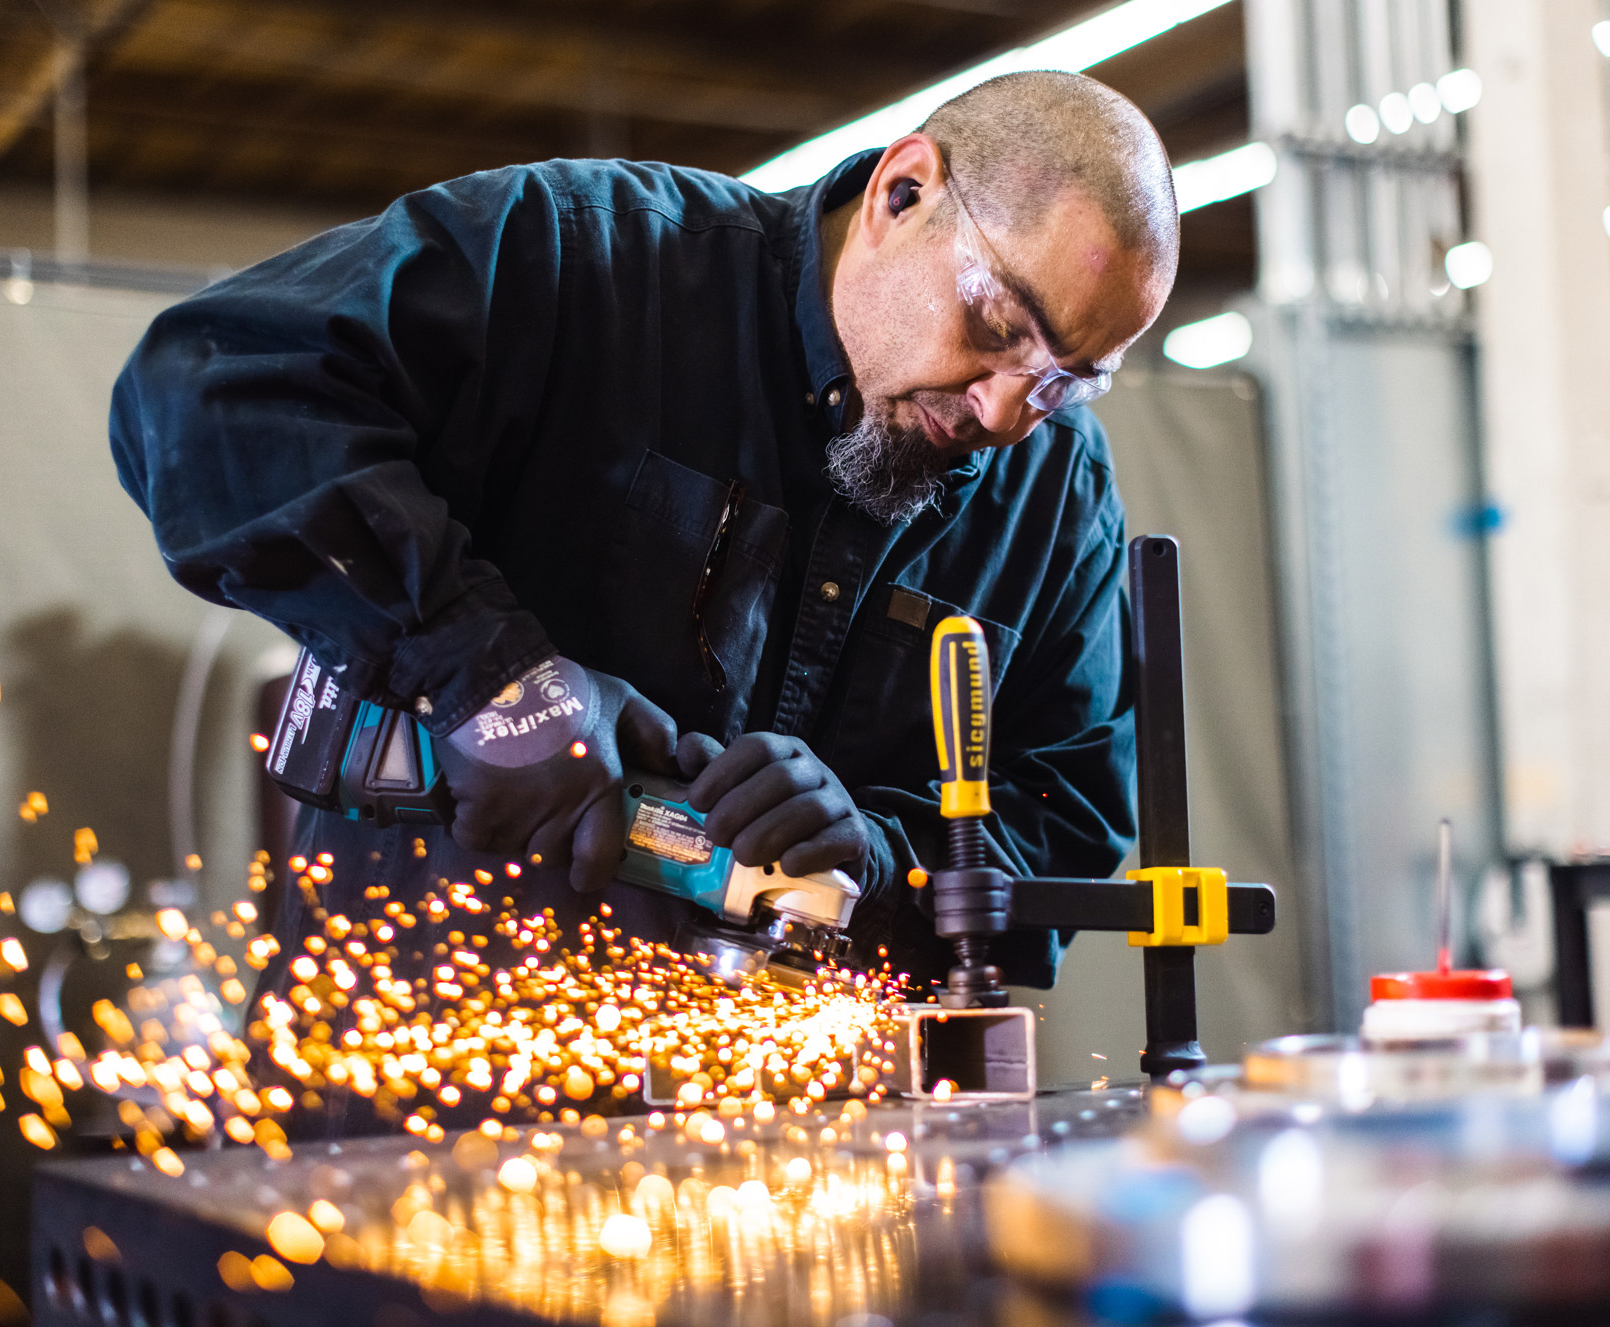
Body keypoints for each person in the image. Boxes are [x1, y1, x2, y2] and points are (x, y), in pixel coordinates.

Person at [110, 70, 1178, 1105]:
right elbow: (209, 391)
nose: (1002, 413)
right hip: (416, 1076)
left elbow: (1067, 814)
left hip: (784, 1138)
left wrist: (880, 854)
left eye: (1063, 378)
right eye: (994, 327)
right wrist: (490, 672)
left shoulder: (1053, 490)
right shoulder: (584, 260)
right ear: (905, 193)